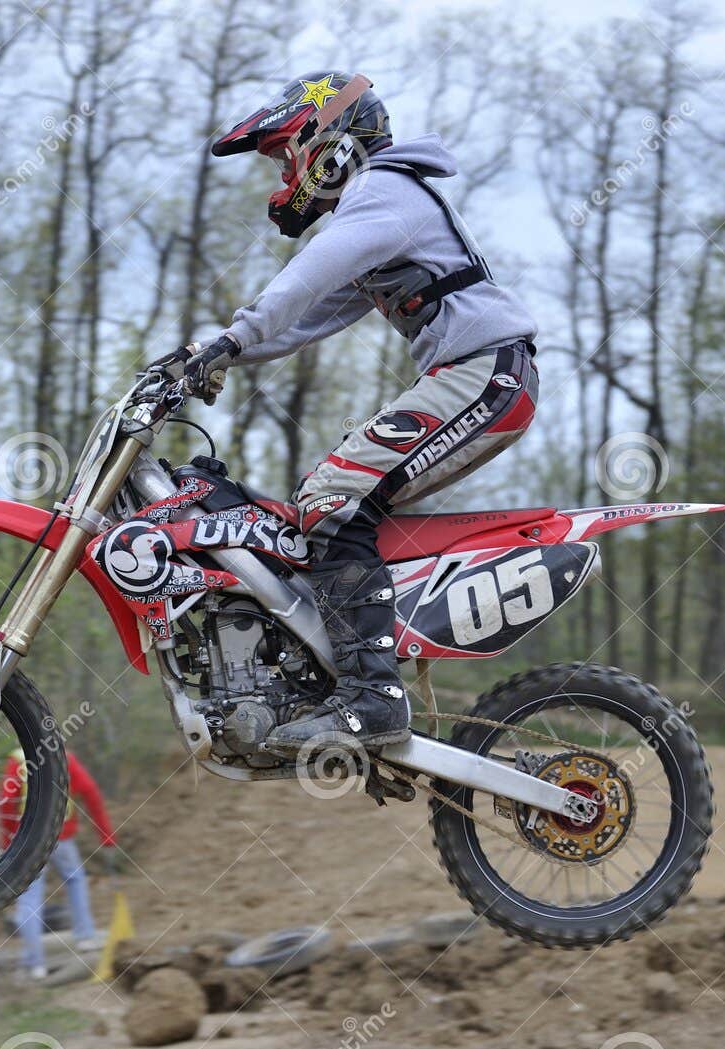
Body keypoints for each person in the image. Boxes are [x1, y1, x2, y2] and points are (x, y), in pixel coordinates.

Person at [154, 71, 538, 751]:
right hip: (477, 373)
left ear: (324, 142)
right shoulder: (376, 211)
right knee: (330, 498)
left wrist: (230, 336)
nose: (280, 175)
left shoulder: (382, 191)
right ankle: (343, 673)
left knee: (334, 494)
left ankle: (373, 703)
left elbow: (301, 281)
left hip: (486, 373)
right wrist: (205, 355)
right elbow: (301, 322)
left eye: (282, 156)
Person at [0, 749, 119, 980]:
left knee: (30, 898)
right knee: (75, 880)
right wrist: (105, 834)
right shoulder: (63, 757)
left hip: (28, 841)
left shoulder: (17, 761)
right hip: (60, 835)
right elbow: (91, 792)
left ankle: (35, 963)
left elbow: (5, 803)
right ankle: (85, 937)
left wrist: (8, 843)